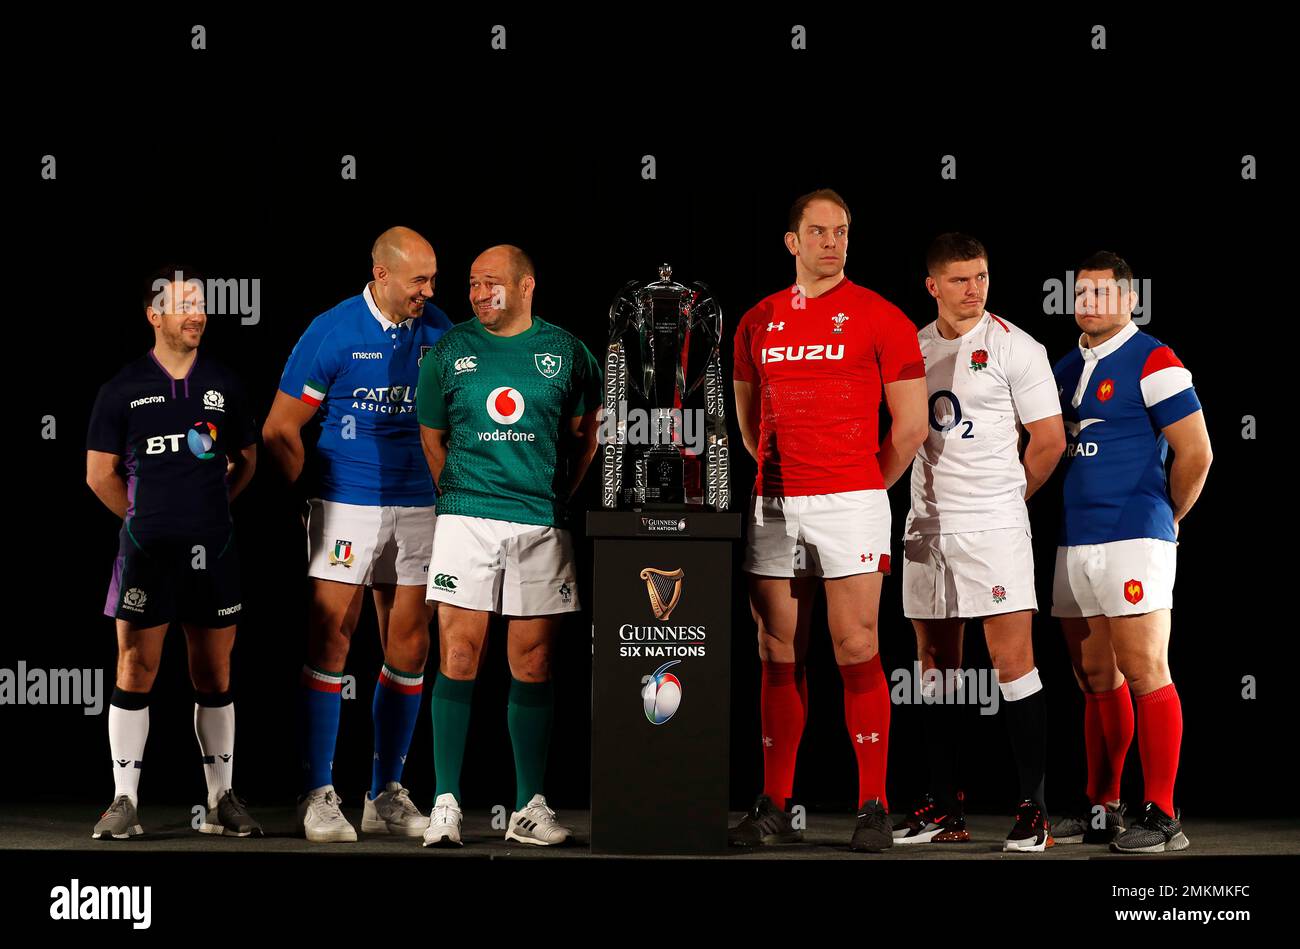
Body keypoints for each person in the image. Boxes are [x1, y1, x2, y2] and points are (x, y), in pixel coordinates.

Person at [729, 189, 928, 853]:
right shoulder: (756, 320)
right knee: (776, 648)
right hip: (775, 502)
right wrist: (789, 480)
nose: (831, 242)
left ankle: (873, 803)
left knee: (855, 645)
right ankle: (775, 802)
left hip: (854, 501)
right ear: (792, 241)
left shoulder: (882, 316)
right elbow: (751, 424)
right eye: (817, 231)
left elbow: (912, 426)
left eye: (841, 231)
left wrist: (861, 483)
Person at [262, 227, 452, 841]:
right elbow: (280, 428)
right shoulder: (334, 329)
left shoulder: (439, 328)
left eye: (432, 278)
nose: (429, 289)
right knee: (331, 642)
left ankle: (385, 794)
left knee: (411, 646)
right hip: (346, 503)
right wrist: (302, 497)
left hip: (420, 505)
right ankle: (317, 791)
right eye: (418, 280)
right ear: (382, 275)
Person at [416, 244, 601, 847]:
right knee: (459, 655)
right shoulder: (448, 351)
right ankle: (444, 801)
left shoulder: (568, 351)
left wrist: (553, 500)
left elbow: (585, 439)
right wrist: (464, 495)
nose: (477, 293)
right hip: (466, 517)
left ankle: (529, 807)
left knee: (534, 662)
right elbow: (432, 438)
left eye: (490, 283)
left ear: (526, 286)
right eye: (471, 283)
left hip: (542, 523)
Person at [893, 234, 1065, 852]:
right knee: (935, 669)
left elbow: (1048, 440)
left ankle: (1034, 810)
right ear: (932, 285)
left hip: (993, 528)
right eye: (961, 279)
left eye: (983, 276)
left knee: (1012, 663)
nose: (975, 289)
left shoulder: (1018, 347)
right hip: (926, 527)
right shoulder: (909, 348)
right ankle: (945, 808)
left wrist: (1006, 504)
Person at [87, 266, 261, 839]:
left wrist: (205, 514)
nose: (198, 312)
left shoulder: (226, 385)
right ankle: (123, 801)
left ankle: (220, 800)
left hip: (216, 551)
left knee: (214, 671)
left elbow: (247, 462)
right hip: (146, 557)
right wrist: (146, 523)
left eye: (202, 302)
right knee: (136, 669)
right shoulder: (122, 389)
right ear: (153, 314)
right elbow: (99, 476)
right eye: (184, 303)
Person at [1049, 251, 1211, 853]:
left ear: (1129, 300)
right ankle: (1102, 808)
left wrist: (1164, 517)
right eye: (1081, 293)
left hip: (1134, 536)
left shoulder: (1155, 359)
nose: (1089, 304)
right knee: (1095, 676)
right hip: (1074, 538)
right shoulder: (1065, 366)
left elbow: (1197, 453)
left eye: (1102, 294)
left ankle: (1164, 814)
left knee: (1145, 670)